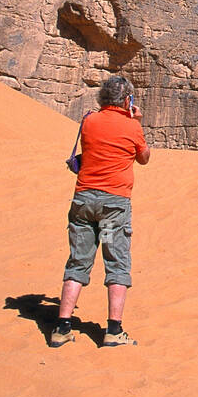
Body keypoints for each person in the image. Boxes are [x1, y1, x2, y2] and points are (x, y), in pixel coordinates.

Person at [50, 75, 151, 348]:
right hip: (114, 204)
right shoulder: (132, 127)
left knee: (78, 261)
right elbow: (144, 158)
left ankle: (61, 326)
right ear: (127, 100)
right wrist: (136, 122)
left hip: (83, 200)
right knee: (116, 262)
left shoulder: (89, 120)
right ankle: (114, 330)